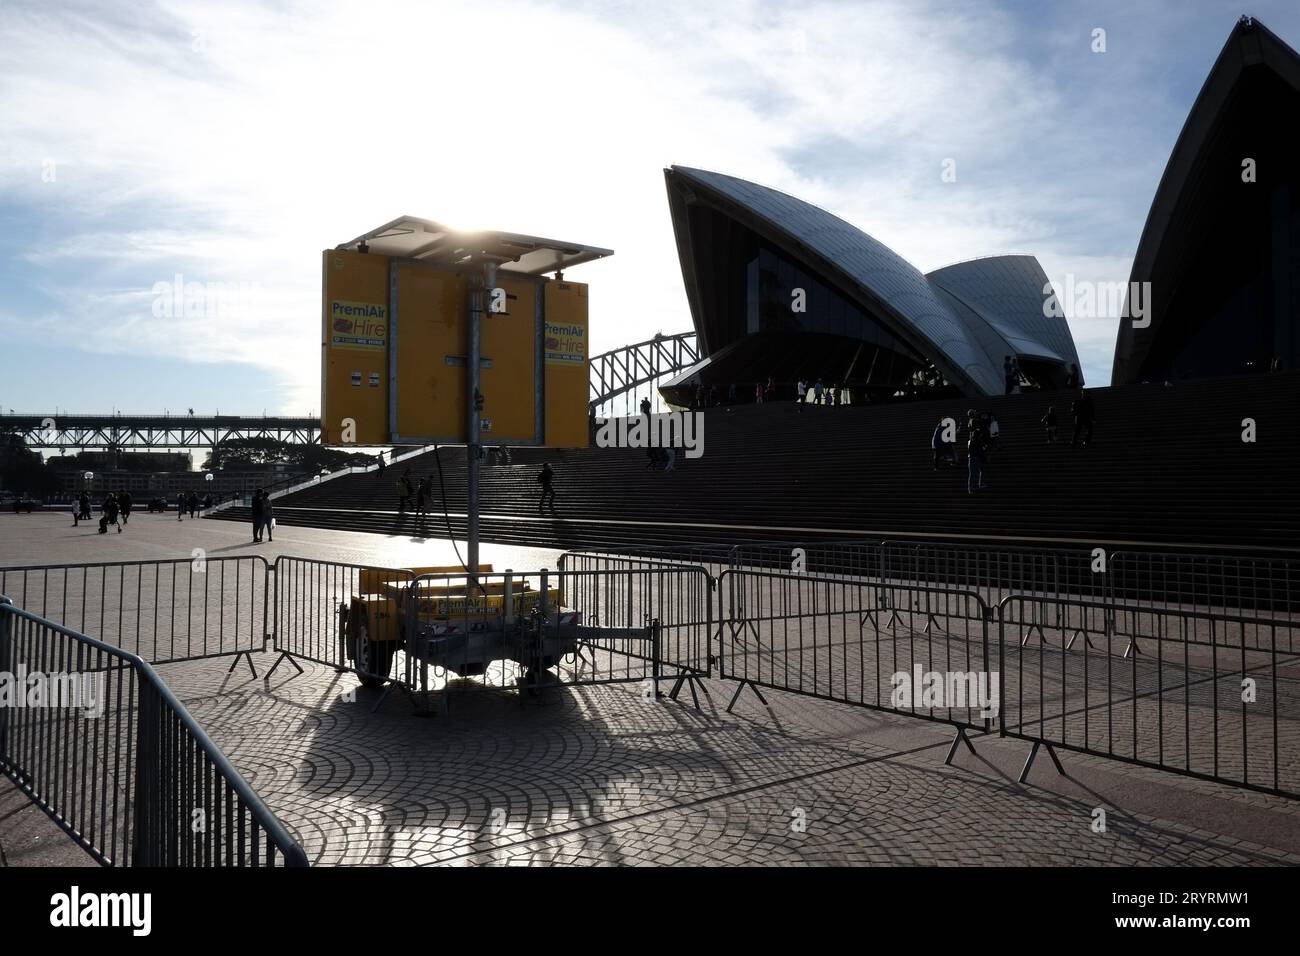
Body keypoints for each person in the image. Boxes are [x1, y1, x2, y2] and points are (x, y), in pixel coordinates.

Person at [967, 416, 990, 493]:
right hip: (976, 456)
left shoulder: (974, 433)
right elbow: (978, 444)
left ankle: (973, 487)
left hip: (974, 456)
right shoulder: (976, 433)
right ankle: (974, 487)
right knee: (976, 472)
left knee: (976, 472)